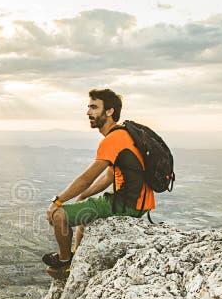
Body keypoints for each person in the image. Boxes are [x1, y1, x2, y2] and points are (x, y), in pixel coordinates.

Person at [43, 88, 155, 276]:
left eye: (94, 107)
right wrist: (85, 195)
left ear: (109, 111)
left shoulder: (113, 139)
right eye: (89, 107)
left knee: (59, 216)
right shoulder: (124, 135)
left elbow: (87, 178)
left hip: (125, 205)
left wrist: (57, 202)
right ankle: (77, 255)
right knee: (84, 212)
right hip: (138, 203)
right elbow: (110, 176)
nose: (88, 113)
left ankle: (64, 262)